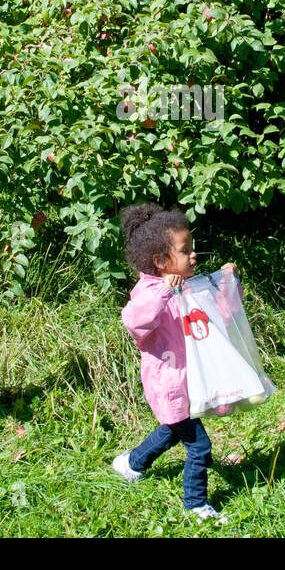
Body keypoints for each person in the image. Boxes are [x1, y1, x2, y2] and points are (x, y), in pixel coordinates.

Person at [111, 203, 237, 523]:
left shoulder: (186, 287)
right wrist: (164, 293)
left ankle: (132, 464)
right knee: (199, 446)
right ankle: (195, 504)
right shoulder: (150, 291)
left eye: (192, 248)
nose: (193, 255)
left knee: (171, 431)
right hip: (169, 384)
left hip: (187, 381)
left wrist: (225, 283)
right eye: (185, 250)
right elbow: (135, 321)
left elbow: (217, 318)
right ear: (161, 261)